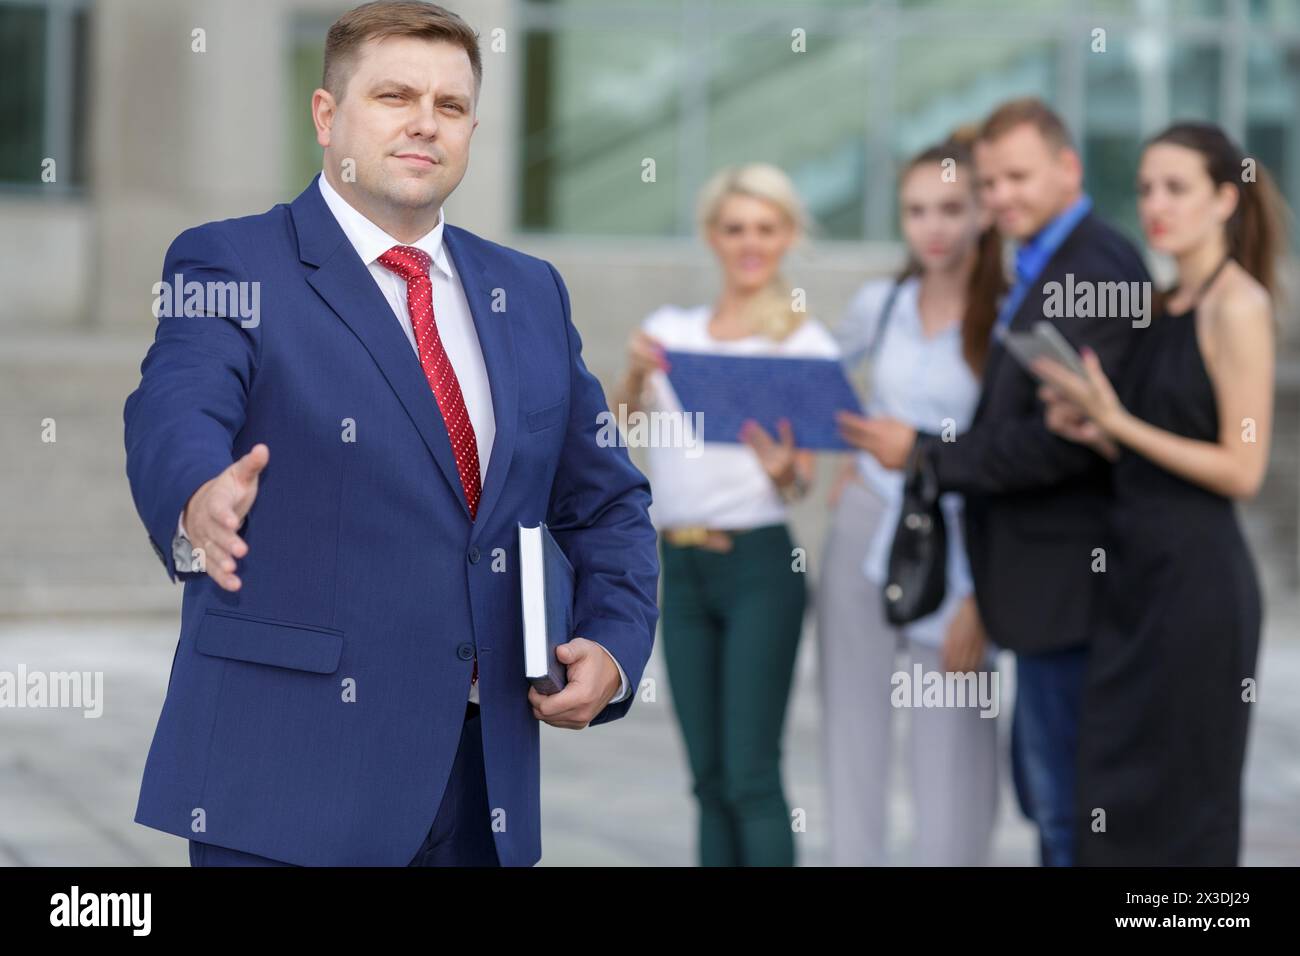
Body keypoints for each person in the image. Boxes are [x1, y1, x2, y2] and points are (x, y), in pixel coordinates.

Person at [123, 0, 659, 867]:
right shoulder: (229, 260)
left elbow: (606, 502)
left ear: (473, 129)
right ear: (327, 116)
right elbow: (175, 404)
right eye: (394, 96)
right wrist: (195, 492)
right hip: (287, 781)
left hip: (483, 788)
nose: (424, 123)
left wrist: (615, 642)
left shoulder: (528, 291)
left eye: (449, 107)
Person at [839, 97, 1150, 866]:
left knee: (1064, 808)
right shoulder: (1040, 266)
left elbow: (1057, 447)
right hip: (981, 564)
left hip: (1056, 580)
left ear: (1068, 168)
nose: (1002, 196)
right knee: (1049, 799)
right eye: (993, 181)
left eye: (1016, 178)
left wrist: (922, 451)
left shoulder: (1090, 270)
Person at [1033, 122, 1286, 865]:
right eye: (1145, 188)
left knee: (1186, 813)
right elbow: (1152, 448)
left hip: (1197, 589)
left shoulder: (1237, 305)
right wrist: (1092, 427)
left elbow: (1243, 468)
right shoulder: (1163, 303)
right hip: (1132, 579)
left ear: (1224, 199)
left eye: (1176, 188)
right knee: (1113, 803)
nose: (1155, 204)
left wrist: (1119, 422)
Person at [611, 163, 837, 866]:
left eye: (765, 229)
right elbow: (615, 434)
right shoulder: (668, 333)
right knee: (706, 781)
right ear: (713, 236)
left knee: (749, 775)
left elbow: (801, 483)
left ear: (788, 237)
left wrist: (782, 470)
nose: (749, 242)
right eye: (735, 227)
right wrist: (636, 375)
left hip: (759, 567)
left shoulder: (802, 346)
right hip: (677, 565)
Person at [825, 131, 1004, 865]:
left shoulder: (1010, 316)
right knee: (852, 727)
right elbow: (825, 389)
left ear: (983, 212)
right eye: (917, 209)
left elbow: (1012, 458)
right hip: (867, 522)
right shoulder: (882, 303)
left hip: (965, 541)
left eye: (951, 208)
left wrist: (984, 595)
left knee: (954, 745)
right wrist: (838, 455)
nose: (934, 226)